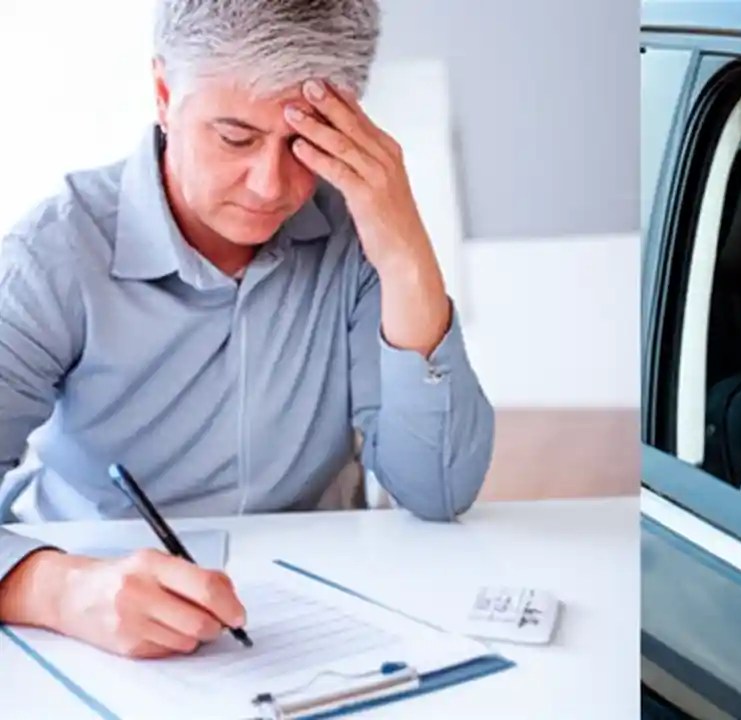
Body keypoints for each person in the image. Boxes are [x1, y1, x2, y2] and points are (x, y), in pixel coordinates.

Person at [0, 0, 494, 658]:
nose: (270, 185)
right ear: (163, 94)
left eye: (305, 143)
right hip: (95, 617)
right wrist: (54, 591)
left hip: (324, 611)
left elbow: (438, 489)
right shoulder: (54, 254)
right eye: (235, 138)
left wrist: (405, 255)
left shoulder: (357, 241)